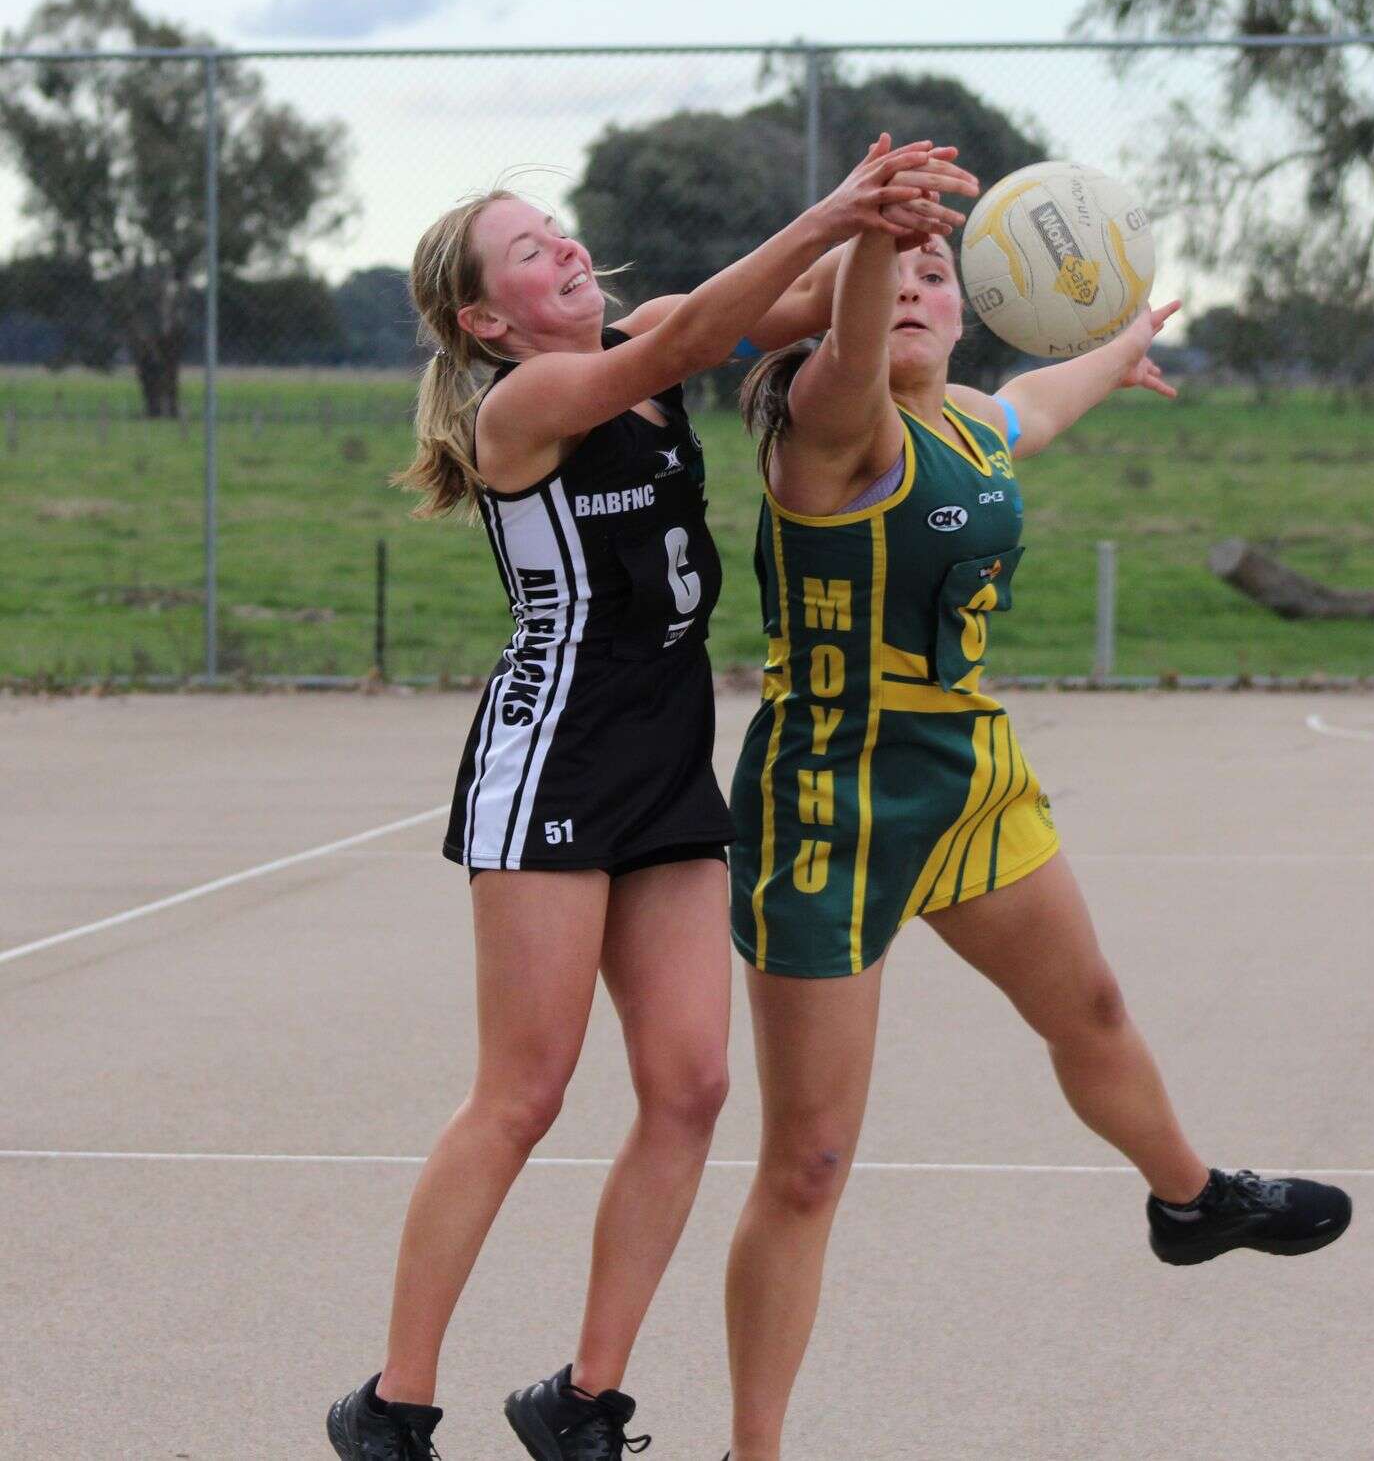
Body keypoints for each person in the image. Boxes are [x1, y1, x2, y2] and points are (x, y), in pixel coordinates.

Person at [326, 137, 980, 1461]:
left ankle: (583, 1397)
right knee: (525, 1088)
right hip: (552, 760)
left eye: (558, 231)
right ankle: (392, 1399)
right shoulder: (528, 403)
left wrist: (888, 239)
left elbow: (785, 315)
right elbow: (672, 358)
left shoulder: (662, 332)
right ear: (484, 318)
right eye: (529, 249)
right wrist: (832, 211)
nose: (565, 247)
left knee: (687, 1084)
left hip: (666, 760)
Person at [721, 224, 1353, 1459]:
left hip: (966, 772)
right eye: (889, 276)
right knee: (809, 1161)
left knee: (1094, 1010)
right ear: (837, 308)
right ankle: (754, 1450)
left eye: (935, 276)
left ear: (970, 308)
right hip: (830, 807)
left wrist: (1120, 348)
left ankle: (1192, 1200)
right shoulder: (828, 416)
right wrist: (871, 225)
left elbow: (1031, 409)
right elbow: (852, 341)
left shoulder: (962, 415)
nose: (912, 288)